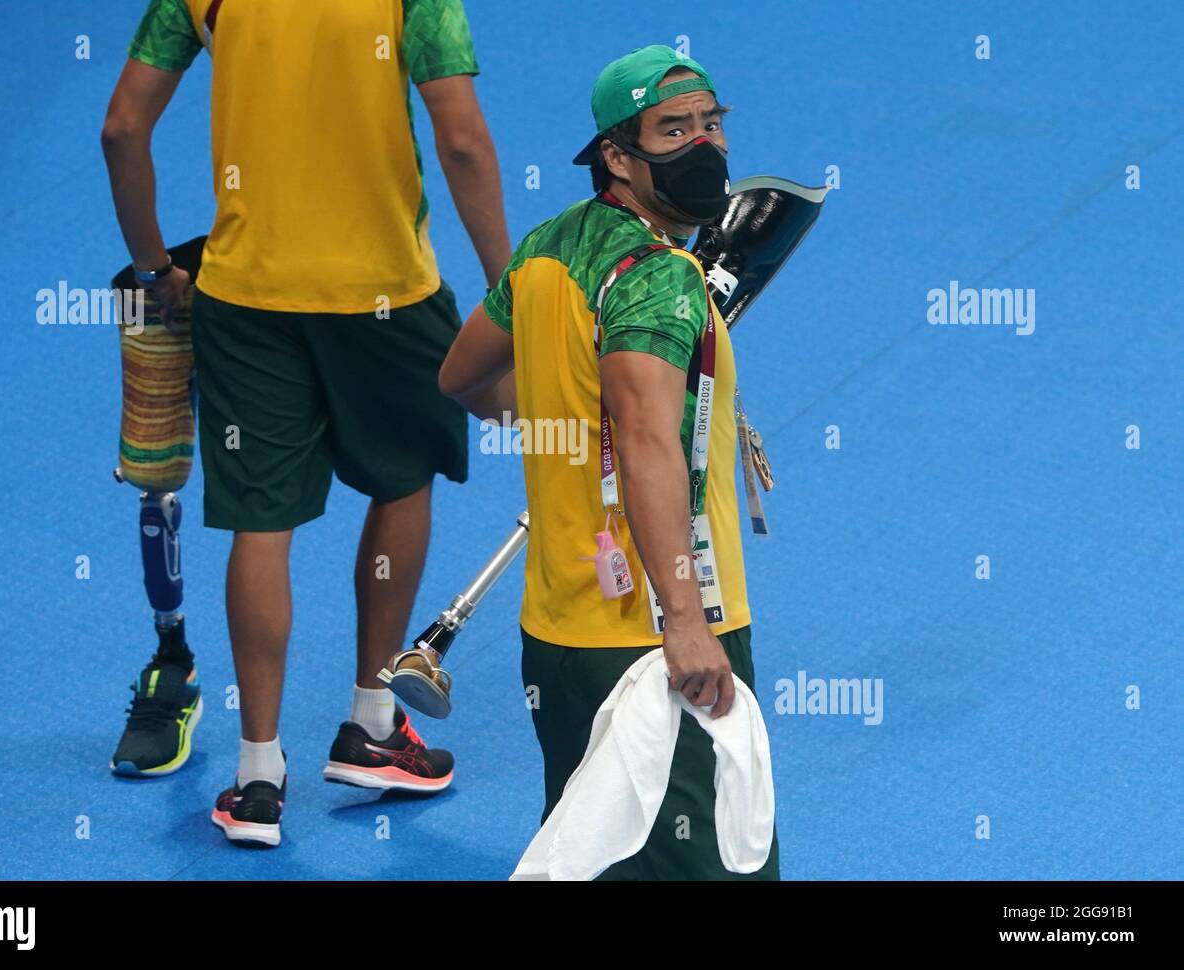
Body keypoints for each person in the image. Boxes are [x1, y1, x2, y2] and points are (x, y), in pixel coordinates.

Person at [101, 0, 510, 847]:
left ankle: (256, 778)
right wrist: (515, 290)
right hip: (388, 293)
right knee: (401, 481)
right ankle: (371, 723)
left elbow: (121, 130)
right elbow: (462, 139)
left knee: (262, 524)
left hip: (244, 296)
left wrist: (153, 268)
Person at [439, 44, 780, 879]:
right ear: (618, 157)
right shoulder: (658, 279)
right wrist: (686, 621)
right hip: (655, 643)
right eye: (672, 130)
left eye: (710, 124)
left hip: (557, 633)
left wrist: (556, 424)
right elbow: (645, 441)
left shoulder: (551, 245)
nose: (702, 145)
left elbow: (461, 376)